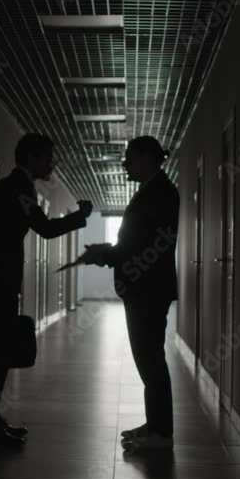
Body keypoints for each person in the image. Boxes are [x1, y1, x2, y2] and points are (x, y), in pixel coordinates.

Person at [0, 133, 93, 446]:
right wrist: (80, 216)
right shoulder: (18, 188)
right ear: (32, 158)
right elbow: (46, 229)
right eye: (47, 157)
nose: (50, 164)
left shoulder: (15, 187)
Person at [83, 136, 179, 451]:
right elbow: (137, 243)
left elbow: (145, 247)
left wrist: (107, 254)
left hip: (148, 289)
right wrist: (108, 252)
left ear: (148, 158)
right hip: (143, 288)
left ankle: (161, 435)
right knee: (148, 358)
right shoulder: (152, 191)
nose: (125, 163)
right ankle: (155, 424)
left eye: (130, 158)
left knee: (150, 358)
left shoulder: (162, 193)